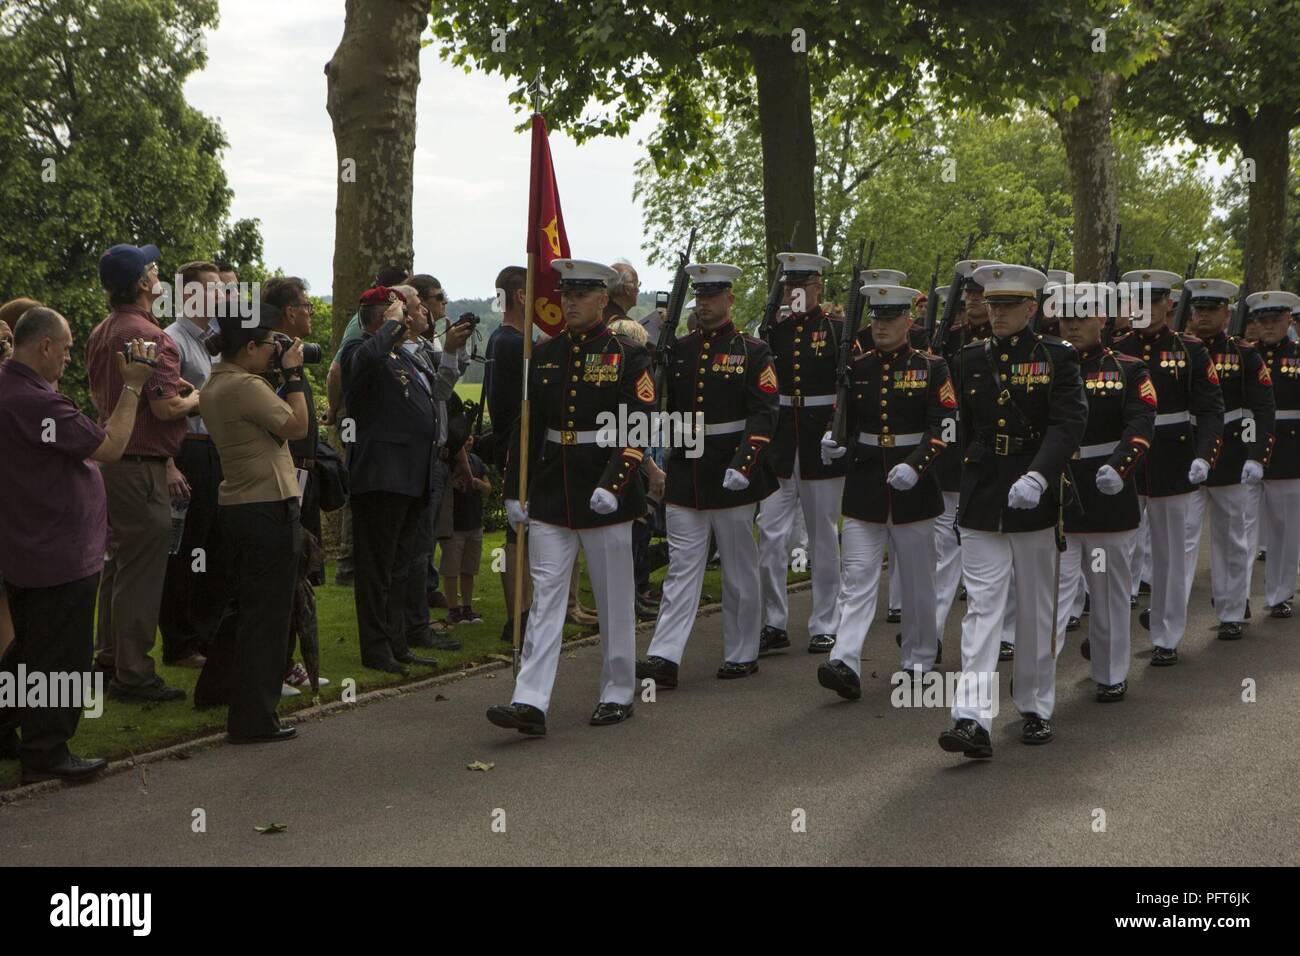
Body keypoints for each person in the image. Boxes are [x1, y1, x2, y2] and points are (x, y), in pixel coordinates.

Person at [489, 258, 653, 735]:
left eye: (580, 295)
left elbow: (637, 425)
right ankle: (530, 700)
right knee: (545, 600)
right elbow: (531, 427)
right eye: (566, 295)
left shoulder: (627, 352)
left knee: (614, 597)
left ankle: (619, 689)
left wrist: (615, 481)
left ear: (604, 299)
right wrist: (515, 489)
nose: (570, 303)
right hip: (553, 492)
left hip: (606, 492)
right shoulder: (545, 354)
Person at [0, 309, 155, 782]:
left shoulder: (10, 388)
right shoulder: (34, 400)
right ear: (44, 345)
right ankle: (47, 751)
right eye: (65, 348)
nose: (69, 357)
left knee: (28, 651)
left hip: (28, 546)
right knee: (59, 655)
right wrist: (133, 385)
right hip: (57, 551)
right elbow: (109, 446)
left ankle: (8, 730)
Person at [938, 264, 1086, 757]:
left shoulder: (1056, 357)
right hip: (983, 495)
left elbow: (1068, 423)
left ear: (1030, 308)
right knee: (982, 608)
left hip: (1034, 496)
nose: (996, 313)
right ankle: (971, 718)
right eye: (991, 304)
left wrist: (1040, 476)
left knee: (1036, 611)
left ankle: (1035, 704)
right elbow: (958, 422)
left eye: (1007, 305)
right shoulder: (968, 358)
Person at [636, 263, 779, 687]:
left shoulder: (754, 351)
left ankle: (742, 651)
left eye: (713, 297)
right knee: (682, 568)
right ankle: (664, 655)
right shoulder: (678, 348)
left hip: (732, 469)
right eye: (700, 297)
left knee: (738, 566)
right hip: (687, 470)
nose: (706, 304)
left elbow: (764, 413)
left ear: (730, 300)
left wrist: (744, 464)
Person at [816, 283, 954, 700]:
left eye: (890, 318)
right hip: (865, 484)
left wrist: (916, 466)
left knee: (916, 581)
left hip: (915, 486)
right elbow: (849, 424)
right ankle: (845, 658)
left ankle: (919, 657)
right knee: (857, 578)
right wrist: (834, 442)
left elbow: (944, 426)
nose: (881, 326)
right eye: (876, 318)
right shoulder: (857, 368)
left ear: (908, 322)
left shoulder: (932, 367)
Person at [86, 243, 199, 703]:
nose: (159, 275)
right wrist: (198, 398)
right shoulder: (150, 335)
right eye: (153, 270)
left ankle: (109, 657)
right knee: (141, 573)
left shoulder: (103, 330)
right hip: (140, 465)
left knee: (117, 565)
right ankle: (134, 674)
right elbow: (165, 405)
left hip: (111, 462)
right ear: (140, 284)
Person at [198, 307, 311, 743]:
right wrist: (296, 377)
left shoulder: (216, 384)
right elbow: (298, 425)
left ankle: (220, 690)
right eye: (269, 347)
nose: (273, 354)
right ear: (248, 347)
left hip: (240, 505)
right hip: (266, 506)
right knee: (268, 618)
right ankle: (254, 719)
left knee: (246, 609)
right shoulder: (246, 386)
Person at [1113, 269, 1223, 666]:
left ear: (1168, 306)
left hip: (1173, 458)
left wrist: (1204, 454)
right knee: (1117, 554)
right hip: (1125, 461)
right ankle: (1112, 638)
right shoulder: (1115, 348)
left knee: (1170, 553)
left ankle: (1166, 633)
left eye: (1152, 301)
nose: (1143, 309)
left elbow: (1210, 409)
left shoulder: (1191, 350)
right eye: (1135, 302)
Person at [1055, 283, 1157, 702]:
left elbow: (1140, 422)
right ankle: (1037, 677)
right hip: (1057, 497)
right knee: (1051, 597)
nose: (1074, 324)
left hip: (1104, 497)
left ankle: (1111, 671)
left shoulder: (1129, 369)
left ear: (1102, 319)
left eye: (1082, 316)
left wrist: (1119, 467)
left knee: (1106, 590)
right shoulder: (1047, 366)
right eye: (1066, 317)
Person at [339, 286, 446, 674]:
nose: (408, 317)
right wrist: (391, 324)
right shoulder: (360, 348)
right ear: (380, 316)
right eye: (400, 311)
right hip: (382, 476)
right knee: (376, 568)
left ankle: (397, 641)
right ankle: (376, 648)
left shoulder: (399, 354)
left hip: (410, 475)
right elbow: (362, 363)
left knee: (400, 566)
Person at [755, 252, 846, 655]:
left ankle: (826, 621)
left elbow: (849, 390)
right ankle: (774, 620)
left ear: (818, 287)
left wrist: (839, 431)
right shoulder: (775, 331)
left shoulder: (837, 329)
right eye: (789, 286)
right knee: (770, 534)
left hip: (819, 439)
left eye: (802, 286)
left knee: (823, 537)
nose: (794, 294)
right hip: (781, 442)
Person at [1182, 278, 1275, 640]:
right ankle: (1168, 608)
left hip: (1232, 455)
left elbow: (1261, 409)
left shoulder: (1243, 354)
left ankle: (1232, 608)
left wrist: (1256, 456)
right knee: (1181, 539)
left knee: (1232, 537)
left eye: (1211, 310)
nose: (1203, 316)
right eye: (1198, 309)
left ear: (1227, 313)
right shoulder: (1180, 349)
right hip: (1186, 454)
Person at [391, 281, 469, 654]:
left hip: (433, 457)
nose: (427, 311)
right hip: (417, 461)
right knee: (414, 548)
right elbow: (439, 391)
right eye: (420, 306)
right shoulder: (401, 353)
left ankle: (415, 622)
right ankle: (411, 625)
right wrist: (450, 352)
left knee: (422, 547)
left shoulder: (422, 348)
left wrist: (454, 349)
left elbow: (446, 383)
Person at [158, 260, 226, 669]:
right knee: (184, 550)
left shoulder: (213, 340)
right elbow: (160, 410)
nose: (223, 295)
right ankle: (179, 644)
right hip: (189, 451)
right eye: (214, 288)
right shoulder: (172, 341)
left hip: (215, 451)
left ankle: (205, 634)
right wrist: (168, 464)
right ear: (190, 294)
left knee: (212, 547)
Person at [325, 264, 409, 586]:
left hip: (355, 410)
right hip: (354, 414)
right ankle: (348, 564)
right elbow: (337, 370)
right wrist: (336, 410)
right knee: (356, 476)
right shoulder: (358, 330)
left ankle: (353, 564)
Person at [484, 265, 534, 644]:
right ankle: (518, 616)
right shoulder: (515, 343)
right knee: (518, 532)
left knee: (523, 531)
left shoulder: (500, 340)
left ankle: (524, 612)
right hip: (520, 446)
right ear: (520, 295)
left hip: (513, 443)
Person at [1250, 292, 1300, 617]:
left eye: (1275, 320)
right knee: (1238, 531)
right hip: (1245, 447)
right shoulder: (1243, 356)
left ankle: (1280, 592)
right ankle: (1233, 599)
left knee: (1285, 528)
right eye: (1263, 320)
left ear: (1288, 321)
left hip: (1288, 449)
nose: (1269, 326)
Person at [441, 435, 489, 624]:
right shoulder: (448, 461)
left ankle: (467, 607)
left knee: (469, 569)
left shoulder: (477, 461)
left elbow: (488, 487)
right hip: (454, 526)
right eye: (464, 439)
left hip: (474, 524)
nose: (468, 442)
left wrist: (478, 484)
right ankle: (453, 609)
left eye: (470, 438)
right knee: (451, 570)